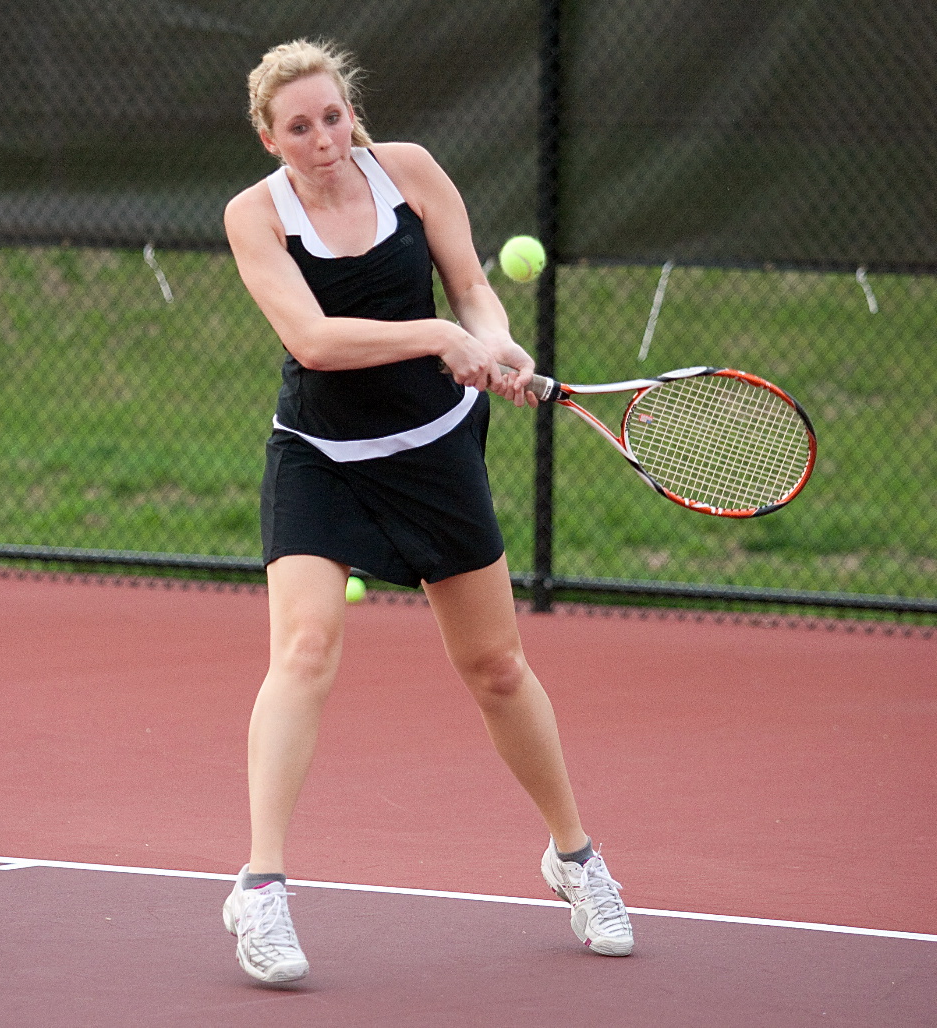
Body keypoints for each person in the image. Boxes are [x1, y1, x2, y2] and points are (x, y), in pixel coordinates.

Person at [220, 38, 633, 984]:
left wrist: (497, 346)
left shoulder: (408, 172)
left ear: (350, 111)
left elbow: (476, 289)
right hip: (322, 457)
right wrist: (440, 335)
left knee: (494, 666)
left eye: (333, 116)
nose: (322, 139)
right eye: (298, 127)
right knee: (306, 648)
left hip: (438, 452)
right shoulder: (255, 217)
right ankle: (263, 888)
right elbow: (316, 340)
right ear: (267, 137)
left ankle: (575, 859)